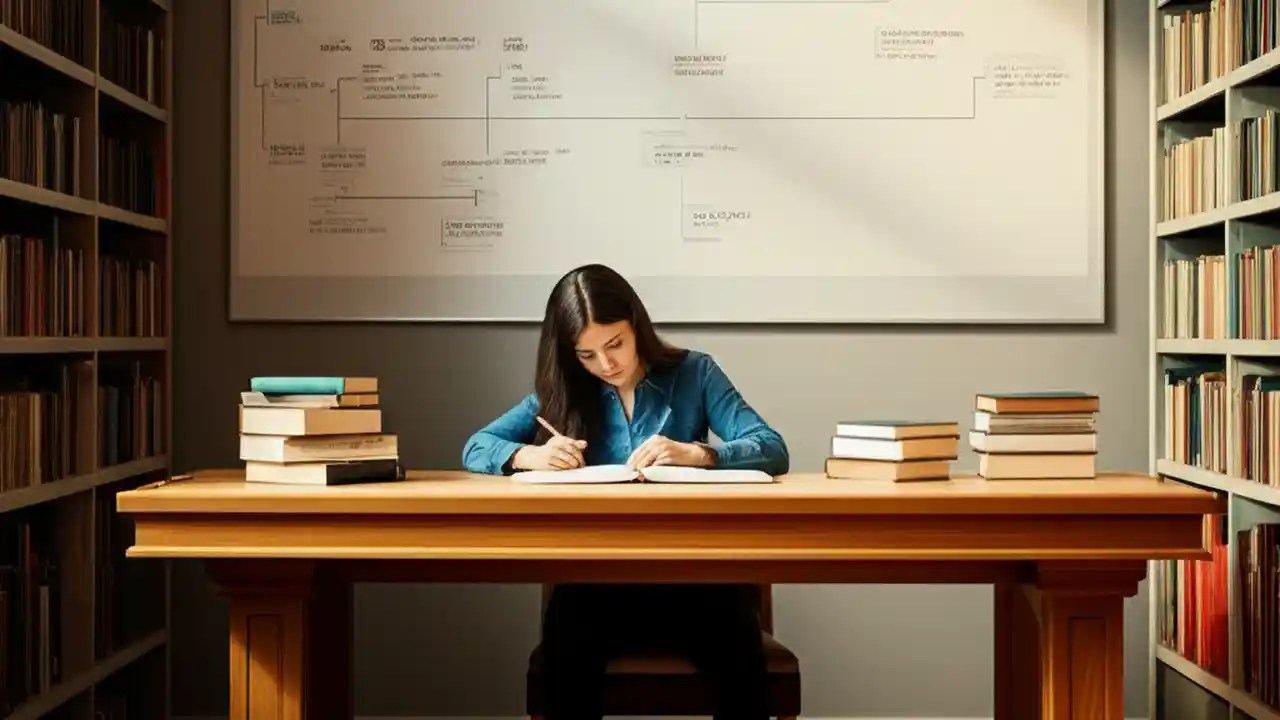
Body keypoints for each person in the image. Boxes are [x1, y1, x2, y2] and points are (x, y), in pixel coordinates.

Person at [461, 263, 789, 720]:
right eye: (587, 354)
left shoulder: (694, 372)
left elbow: (773, 448)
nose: (606, 364)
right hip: (599, 582)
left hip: (693, 579)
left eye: (614, 344)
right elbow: (476, 445)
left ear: (636, 324)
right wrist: (528, 456)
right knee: (565, 643)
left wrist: (701, 454)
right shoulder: (566, 389)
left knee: (736, 636)